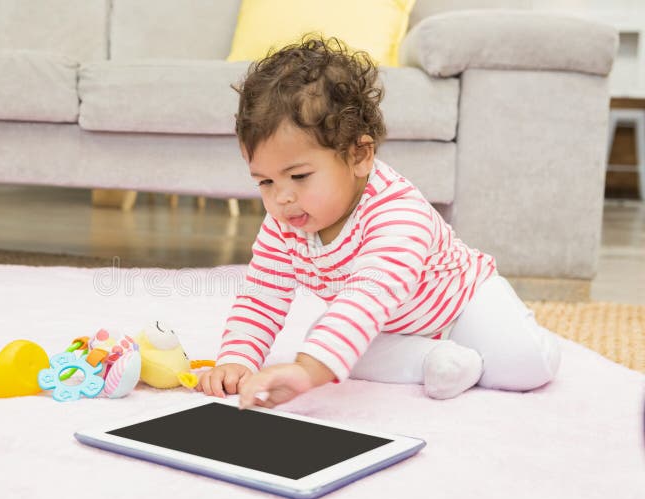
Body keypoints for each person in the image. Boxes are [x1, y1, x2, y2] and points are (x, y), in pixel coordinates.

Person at [197, 35, 560, 409]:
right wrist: (237, 359)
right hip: (386, 326)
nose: (282, 197)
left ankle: (515, 339)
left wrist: (308, 372)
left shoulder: (397, 213)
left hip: (461, 303)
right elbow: (262, 296)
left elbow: (367, 295)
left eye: (300, 176)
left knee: (523, 365)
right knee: (329, 341)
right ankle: (432, 360)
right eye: (266, 182)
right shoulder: (285, 224)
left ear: (359, 155)